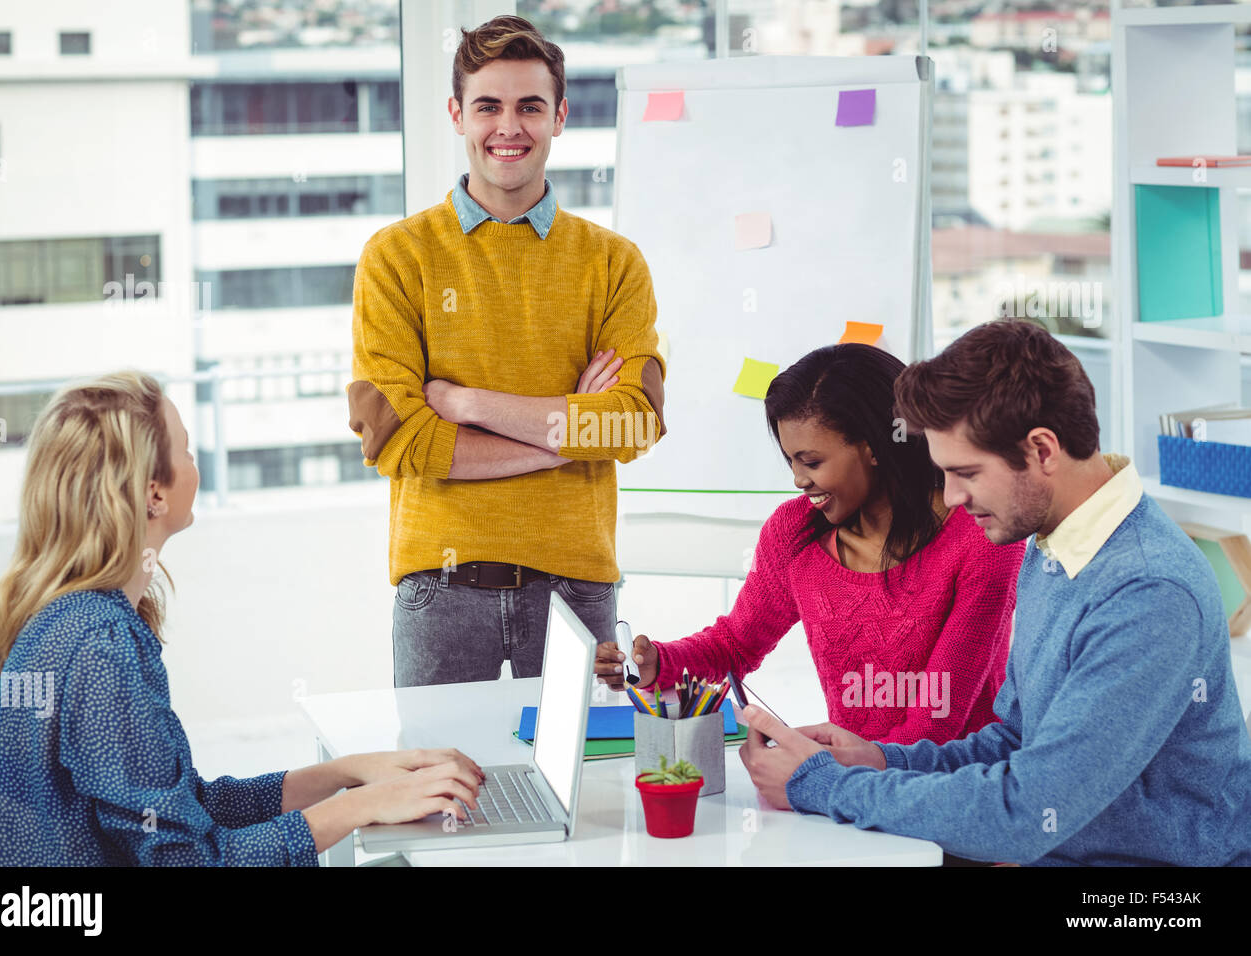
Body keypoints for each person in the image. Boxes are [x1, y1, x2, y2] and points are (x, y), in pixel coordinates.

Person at [739, 319, 1251, 866]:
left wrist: (821, 785)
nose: (954, 497)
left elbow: (1027, 811)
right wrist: (878, 760)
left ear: (1042, 451)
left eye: (966, 472)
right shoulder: (1057, 543)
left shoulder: (1148, 591)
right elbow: (1014, 741)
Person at [0, 371, 484, 866]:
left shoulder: (73, 619)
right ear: (154, 493)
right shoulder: (100, 645)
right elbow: (189, 860)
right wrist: (361, 807)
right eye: (187, 451)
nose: (196, 466)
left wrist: (344, 774)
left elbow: (187, 810)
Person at [346, 14, 666, 687]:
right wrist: (567, 434)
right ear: (458, 115)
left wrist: (468, 402)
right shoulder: (397, 258)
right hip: (440, 587)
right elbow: (395, 437)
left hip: (578, 591)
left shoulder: (614, 263)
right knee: (435, 790)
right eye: (489, 106)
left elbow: (633, 422)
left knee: (581, 793)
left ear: (560, 117)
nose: (509, 127)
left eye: (530, 107)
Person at [596, 343, 1026, 748]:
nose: (799, 480)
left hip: (951, 790)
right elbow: (736, 645)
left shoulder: (981, 538)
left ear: (875, 447)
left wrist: (820, 767)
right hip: (849, 788)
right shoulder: (795, 531)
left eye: (812, 462)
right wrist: (658, 664)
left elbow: (937, 721)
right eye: (791, 461)